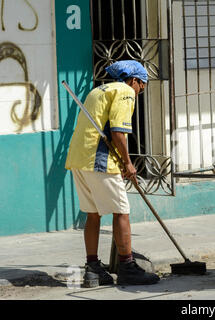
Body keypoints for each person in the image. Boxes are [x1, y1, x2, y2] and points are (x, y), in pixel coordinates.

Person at [65, 60, 160, 287]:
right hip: (99, 161)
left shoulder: (98, 90)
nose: (140, 91)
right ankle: (127, 268)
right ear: (135, 80)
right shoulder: (126, 91)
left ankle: (93, 269)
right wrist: (128, 163)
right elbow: (118, 133)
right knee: (121, 212)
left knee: (93, 214)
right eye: (142, 86)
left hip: (79, 159)